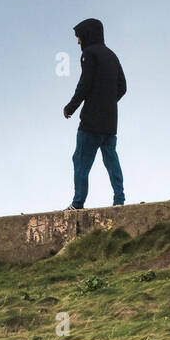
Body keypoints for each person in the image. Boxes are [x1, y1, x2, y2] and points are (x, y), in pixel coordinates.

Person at [62, 18, 126, 209]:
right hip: (110, 122)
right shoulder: (112, 55)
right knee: (111, 159)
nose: (78, 42)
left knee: (80, 160)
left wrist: (70, 107)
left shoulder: (89, 54)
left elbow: (84, 84)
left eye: (79, 37)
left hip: (91, 121)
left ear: (87, 35)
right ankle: (119, 200)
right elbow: (123, 87)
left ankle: (78, 203)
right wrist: (107, 103)